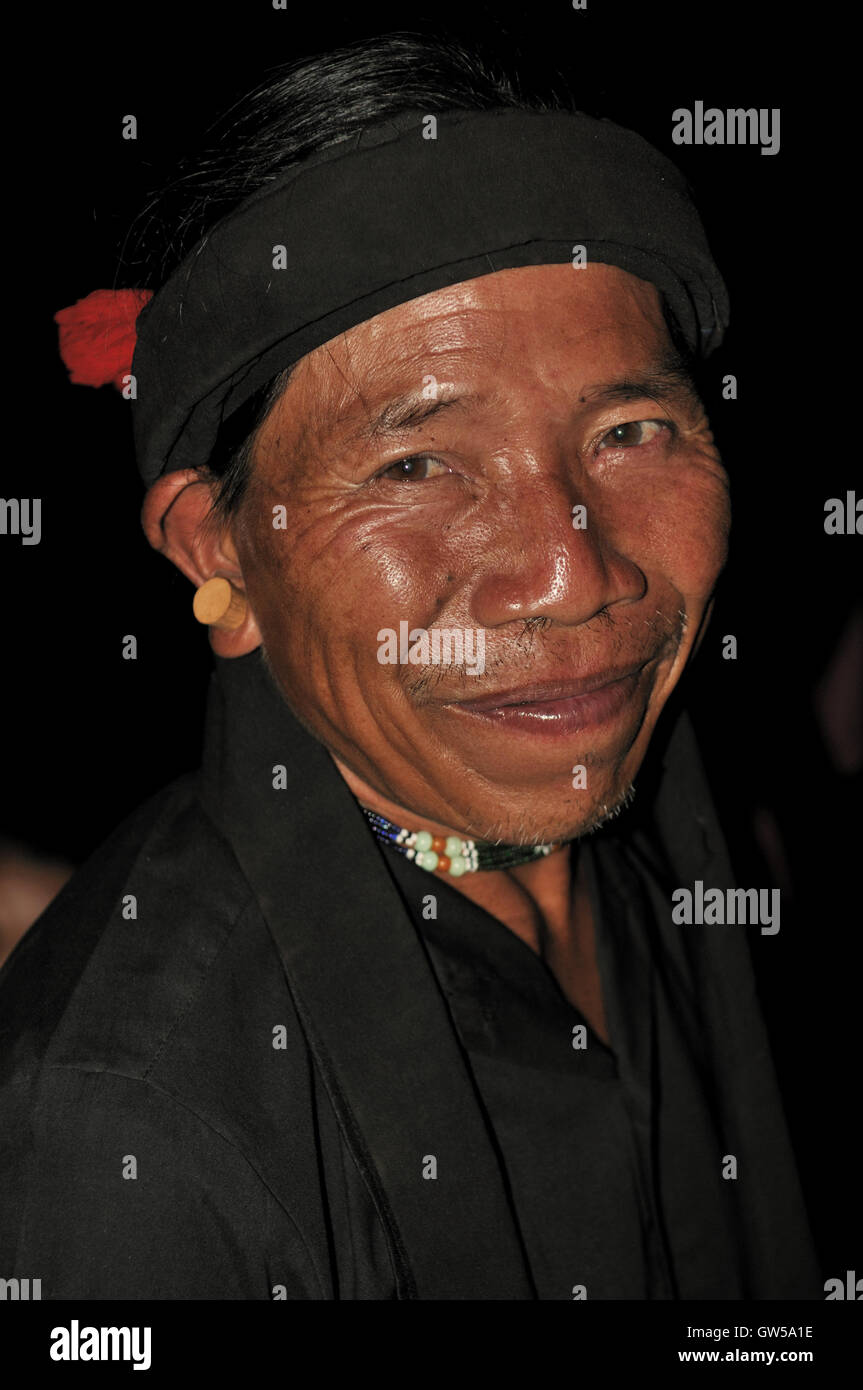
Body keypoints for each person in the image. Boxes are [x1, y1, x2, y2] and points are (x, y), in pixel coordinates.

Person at [0, 34, 821, 1300]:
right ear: (216, 548)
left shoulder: (689, 853)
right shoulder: (128, 1141)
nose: (574, 573)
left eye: (631, 429)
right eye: (415, 466)